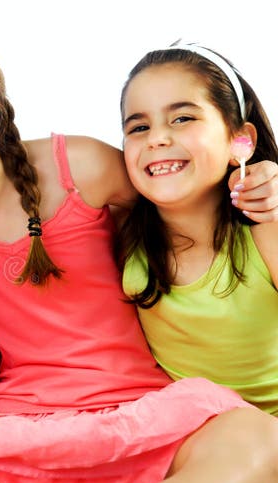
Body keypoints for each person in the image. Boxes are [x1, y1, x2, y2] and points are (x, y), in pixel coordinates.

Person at [0, 3, 278, 483]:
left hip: (143, 423)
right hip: (20, 438)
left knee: (257, 437)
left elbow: (180, 190)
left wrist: (261, 182)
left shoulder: (80, 169)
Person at [116, 44, 278, 415]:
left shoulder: (265, 227)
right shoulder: (123, 231)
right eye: (139, 127)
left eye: (182, 118)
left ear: (240, 141)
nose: (156, 138)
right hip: (195, 429)